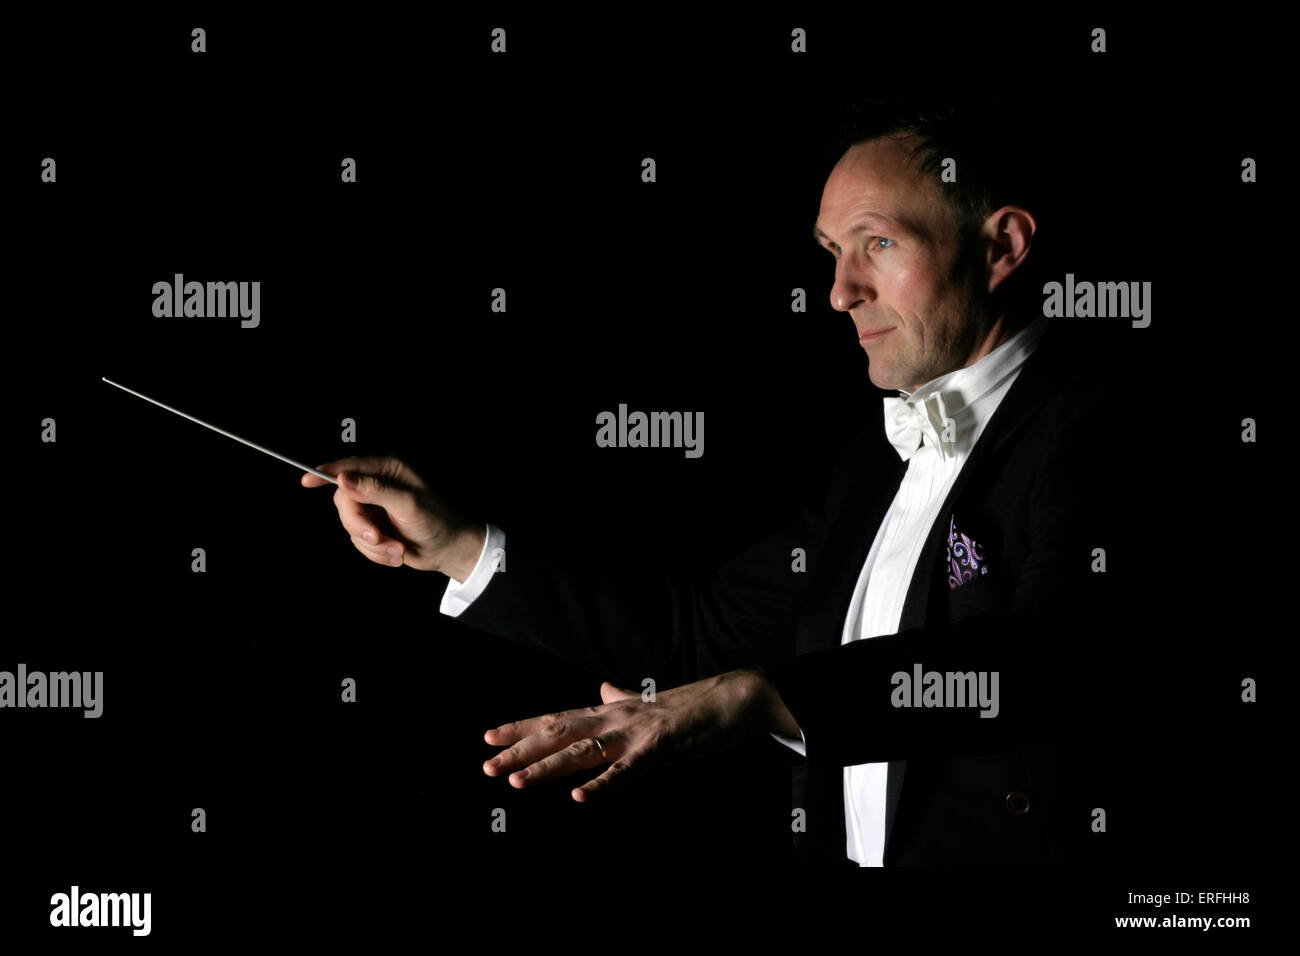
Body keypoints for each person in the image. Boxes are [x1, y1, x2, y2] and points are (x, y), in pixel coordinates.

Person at [300, 98, 1140, 866]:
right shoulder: (874, 464)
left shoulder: (1104, 425)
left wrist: (760, 696)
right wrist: (453, 547)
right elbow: (699, 631)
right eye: (832, 253)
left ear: (1002, 246)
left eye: (879, 243)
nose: (841, 292)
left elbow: (1046, 665)